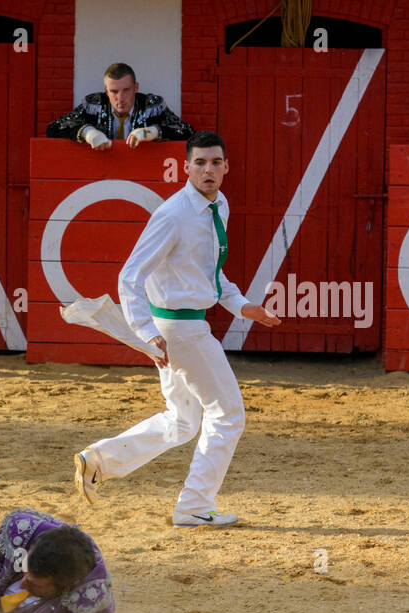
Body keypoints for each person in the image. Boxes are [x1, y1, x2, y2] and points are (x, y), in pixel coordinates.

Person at [73, 131, 281, 527]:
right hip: (180, 330)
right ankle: (194, 505)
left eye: (215, 163)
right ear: (186, 168)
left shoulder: (219, 205)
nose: (208, 170)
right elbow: (130, 276)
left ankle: (99, 459)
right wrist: (146, 331)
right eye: (200, 163)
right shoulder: (173, 214)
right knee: (228, 415)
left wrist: (242, 306)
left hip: (177, 326)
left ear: (226, 168)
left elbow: (210, 276)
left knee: (183, 420)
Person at [46, 62, 193, 149]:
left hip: (143, 173)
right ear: (106, 91)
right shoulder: (93, 103)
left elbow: (187, 131)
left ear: (136, 88)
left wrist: (152, 132)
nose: (120, 98)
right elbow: (54, 128)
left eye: (126, 90)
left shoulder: (152, 106)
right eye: (114, 91)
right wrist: (87, 132)